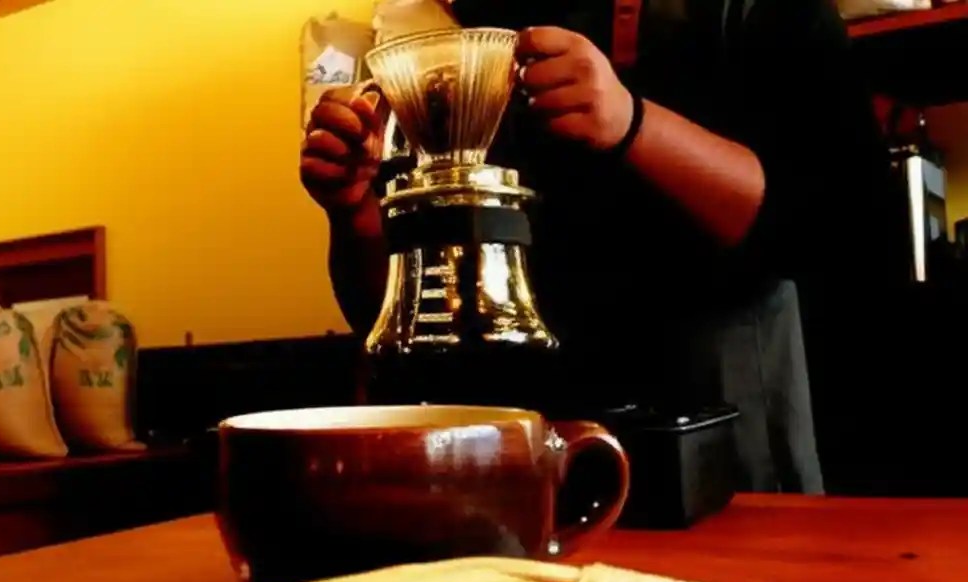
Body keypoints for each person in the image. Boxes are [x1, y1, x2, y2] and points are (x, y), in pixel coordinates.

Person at [299, 0, 906, 494]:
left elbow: (833, 230)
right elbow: (387, 312)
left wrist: (631, 123)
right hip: (521, 476)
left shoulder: (758, 17)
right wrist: (353, 212)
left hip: (727, 464)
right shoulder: (465, 42)